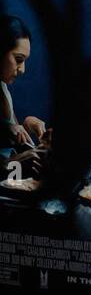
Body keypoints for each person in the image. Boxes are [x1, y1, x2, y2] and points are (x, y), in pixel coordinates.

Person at [1, 14, 47, 175]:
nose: (22, 70)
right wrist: (14, 162)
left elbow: (10, 140)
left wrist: (25, 125)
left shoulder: (3, 87)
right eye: (18, 59)